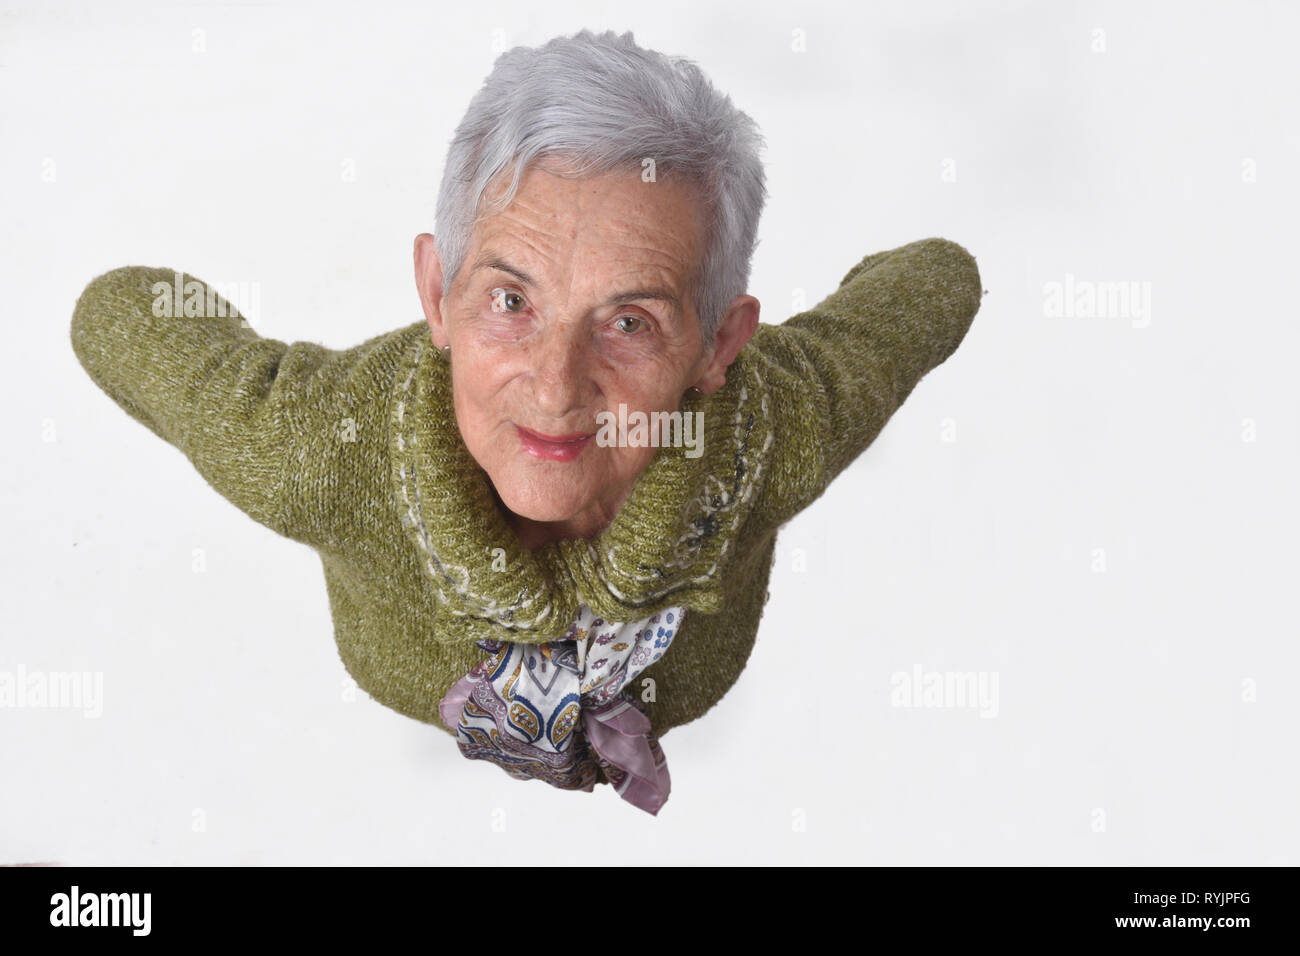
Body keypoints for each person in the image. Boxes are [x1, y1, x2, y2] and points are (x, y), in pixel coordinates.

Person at [69, 28, 984, 815]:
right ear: (436, 291)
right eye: (510, 301)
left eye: (630, 323)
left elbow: (932, 282)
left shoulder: (780, 424)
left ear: (717, 348)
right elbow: (119, 310)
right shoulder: (310, 446)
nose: (555, 391)